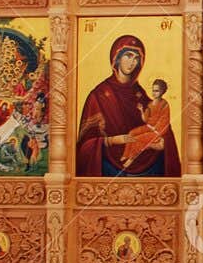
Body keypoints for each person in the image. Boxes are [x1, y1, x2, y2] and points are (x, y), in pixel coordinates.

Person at [76, 34, 181, 176]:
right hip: (110, 165)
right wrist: (112, 140)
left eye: (137, 58)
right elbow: (85, 146)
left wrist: (161, 139)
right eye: (128, 56)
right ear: (116, 58)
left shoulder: (140, 94)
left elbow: (157, 123)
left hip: (146, 160)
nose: (132, 62)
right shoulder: (99, 95)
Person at [119, 78, 172, 165]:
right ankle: (126, 154)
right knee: (131, 133)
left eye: (157, 91)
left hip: (157, 131)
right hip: (148, 127)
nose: (154, 93)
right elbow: (145, 120)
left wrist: (155, 129)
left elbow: (164, 120)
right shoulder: (150, 104)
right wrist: (141, 111)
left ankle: (131, 158)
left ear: (162, 92)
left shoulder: (164, 105)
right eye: (153, 90)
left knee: (138, 139)